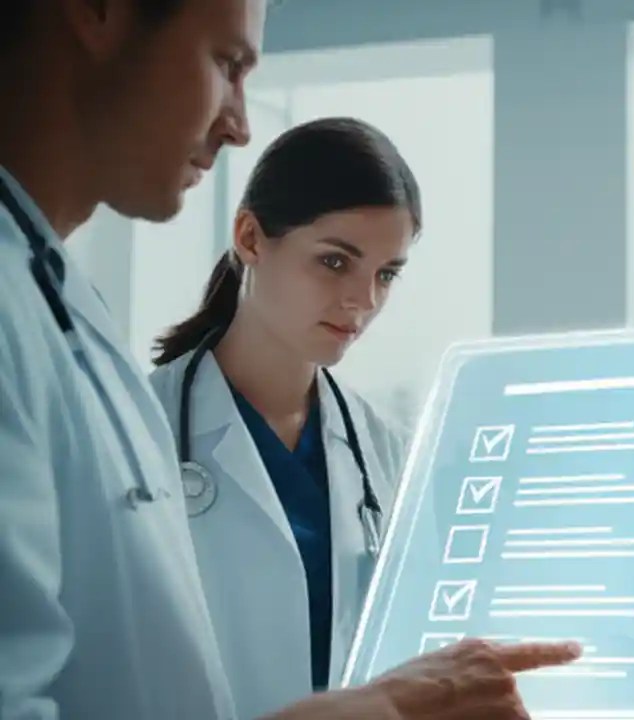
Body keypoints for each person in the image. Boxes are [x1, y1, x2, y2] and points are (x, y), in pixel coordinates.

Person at [0, 1, 578, 719]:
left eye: (387, 274)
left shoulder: (58, 306)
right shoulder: (103, 375)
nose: (239, 122)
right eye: (227, 63)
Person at [147, 116, 417, 718]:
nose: (363, 300)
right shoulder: (142, 428)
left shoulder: (384, 450)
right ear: (250, 237)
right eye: (334, 262)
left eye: (386, 274)